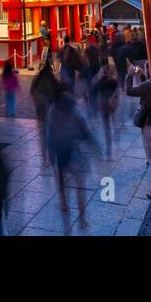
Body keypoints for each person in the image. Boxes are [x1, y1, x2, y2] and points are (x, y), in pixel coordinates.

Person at [44, 91, 99, 231]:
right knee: (80, 185)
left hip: (62, 151)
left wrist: (50, 155)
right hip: (75, 151)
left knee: (62, 179)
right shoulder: (75, 111)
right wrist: (96, 148)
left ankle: (64, 202)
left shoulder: (53, 111)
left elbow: (49, 134)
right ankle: (82, 219)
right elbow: (86, 131)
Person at [126, 62, 151, 172]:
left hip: (149, 125)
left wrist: (130, 74)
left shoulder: (147, 86)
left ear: (150, 70)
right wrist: (142, 76)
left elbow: (129, 91)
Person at [30, 59, 62, 161]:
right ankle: (51, 152)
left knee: (42, 130)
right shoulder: (51, 79)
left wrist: (35, 99)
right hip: (48, 106)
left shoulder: (37, 77)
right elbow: (57, 91)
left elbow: (32, 90)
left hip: (39, 105)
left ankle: (44, 154)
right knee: (50, 130)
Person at [91, 62, 120, 157]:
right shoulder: (112, 82)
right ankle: (117, 139)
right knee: (114, 122)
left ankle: (109, 148)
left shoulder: (99, 84)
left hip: (103, 107)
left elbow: (93, 95)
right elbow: (117, 91)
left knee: (106, 128)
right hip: (112, 106)